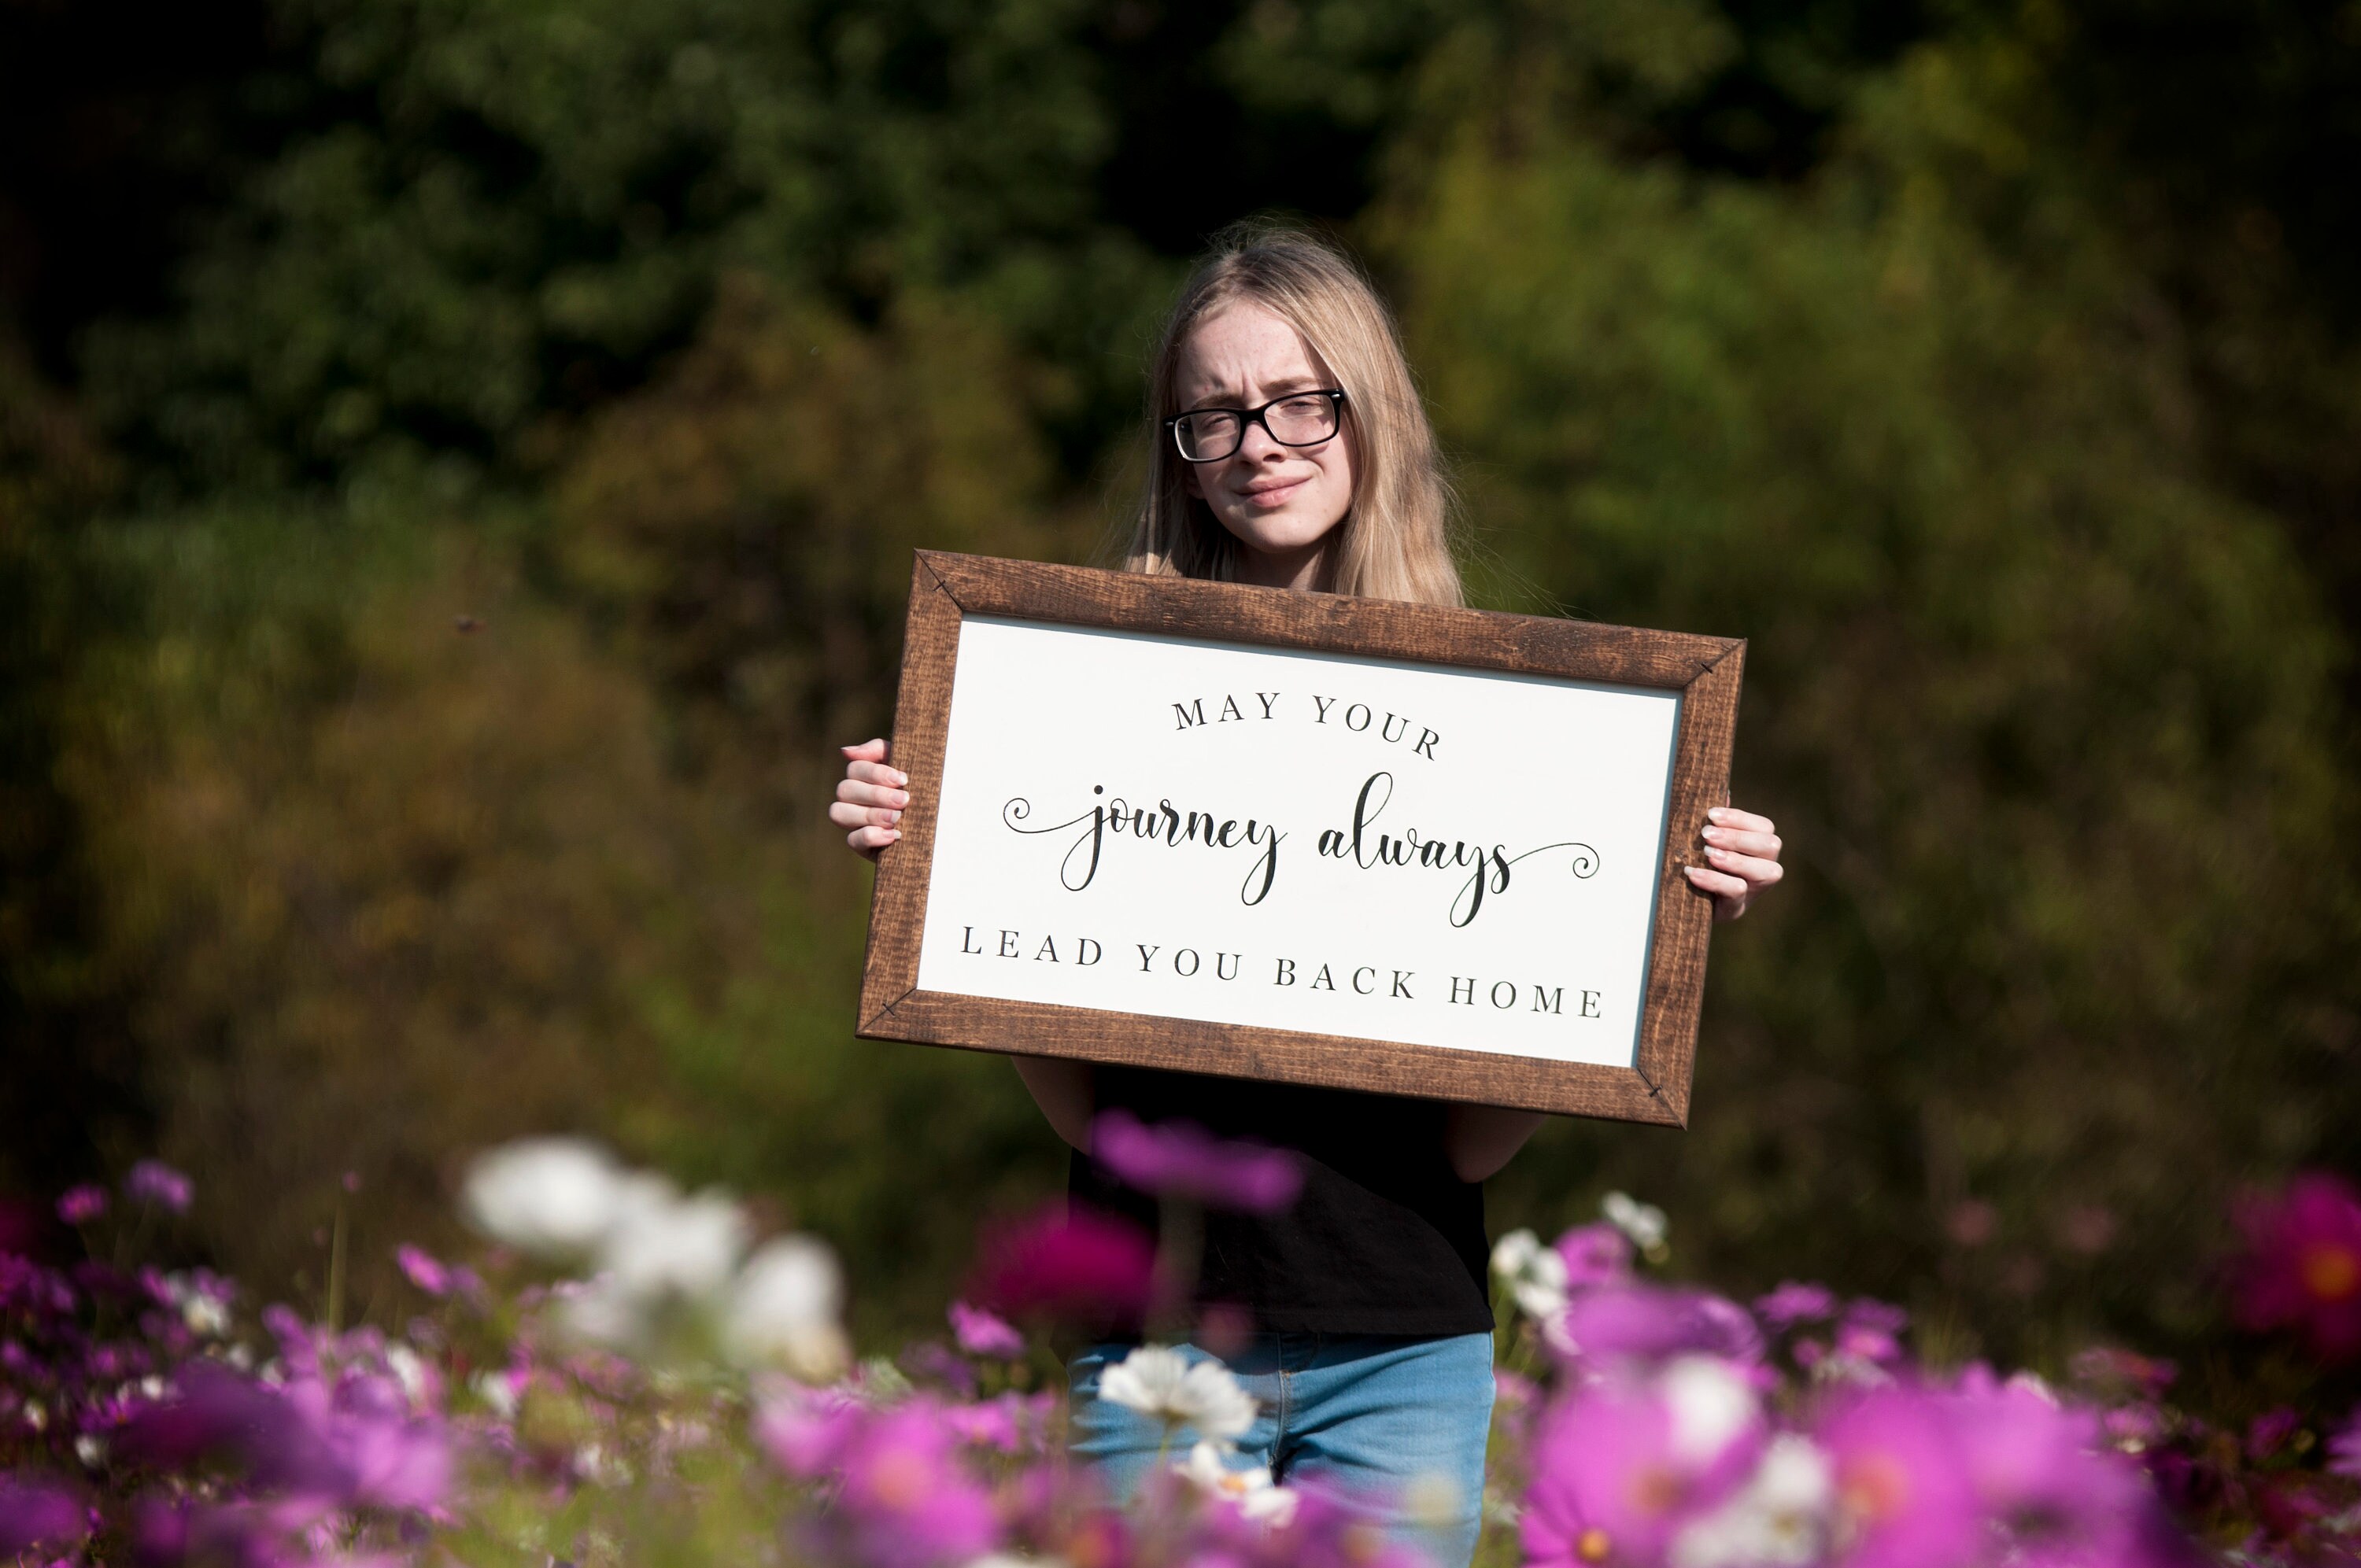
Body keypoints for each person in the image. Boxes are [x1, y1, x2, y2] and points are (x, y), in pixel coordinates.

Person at [829, 227, 1785, 1565]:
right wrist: (944, 883)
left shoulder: (1532, 731)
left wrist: (1650, 927)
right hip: (1153, 1349)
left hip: (1408, 1351)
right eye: (1211, 416)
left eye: (1297, 400)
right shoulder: (1072, 702)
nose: (1258, 442)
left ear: (1367, 409)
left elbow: (1471, 1149)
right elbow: (1090, 1112)